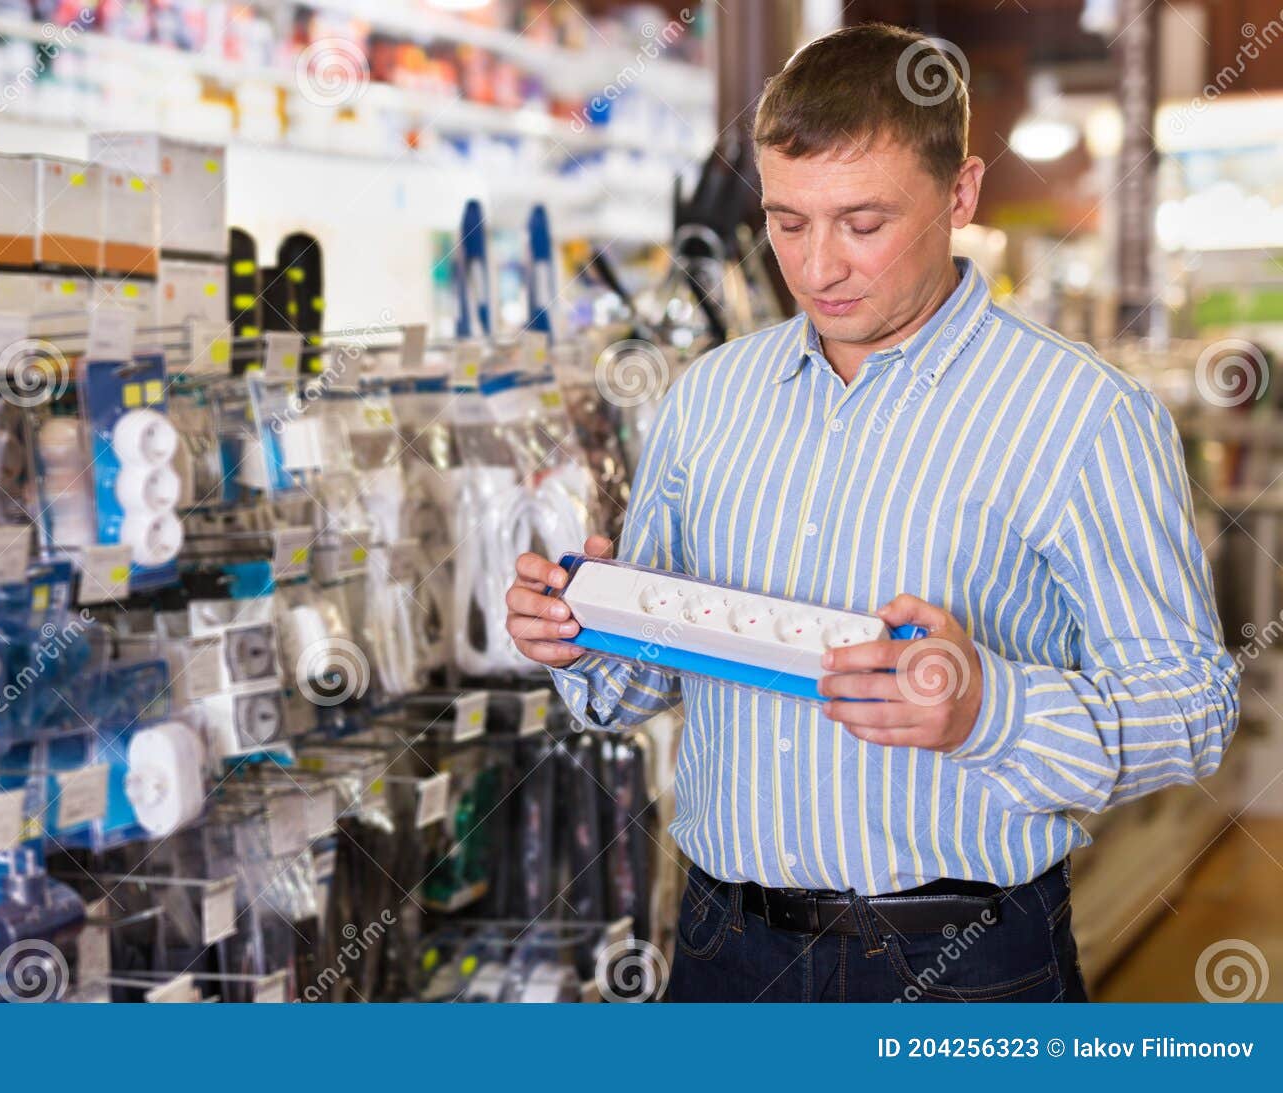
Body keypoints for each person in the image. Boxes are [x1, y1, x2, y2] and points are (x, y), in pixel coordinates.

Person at [505, 23, 1238, 1003]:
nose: (816, 269)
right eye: (787, 221)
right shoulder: (707, 397)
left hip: (958, 965)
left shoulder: (1082, 416)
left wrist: (989, 709)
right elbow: (653, 678)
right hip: (722, 952)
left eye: (862, 222)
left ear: (961, 194)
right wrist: (582, 633)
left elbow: (1192, 706)